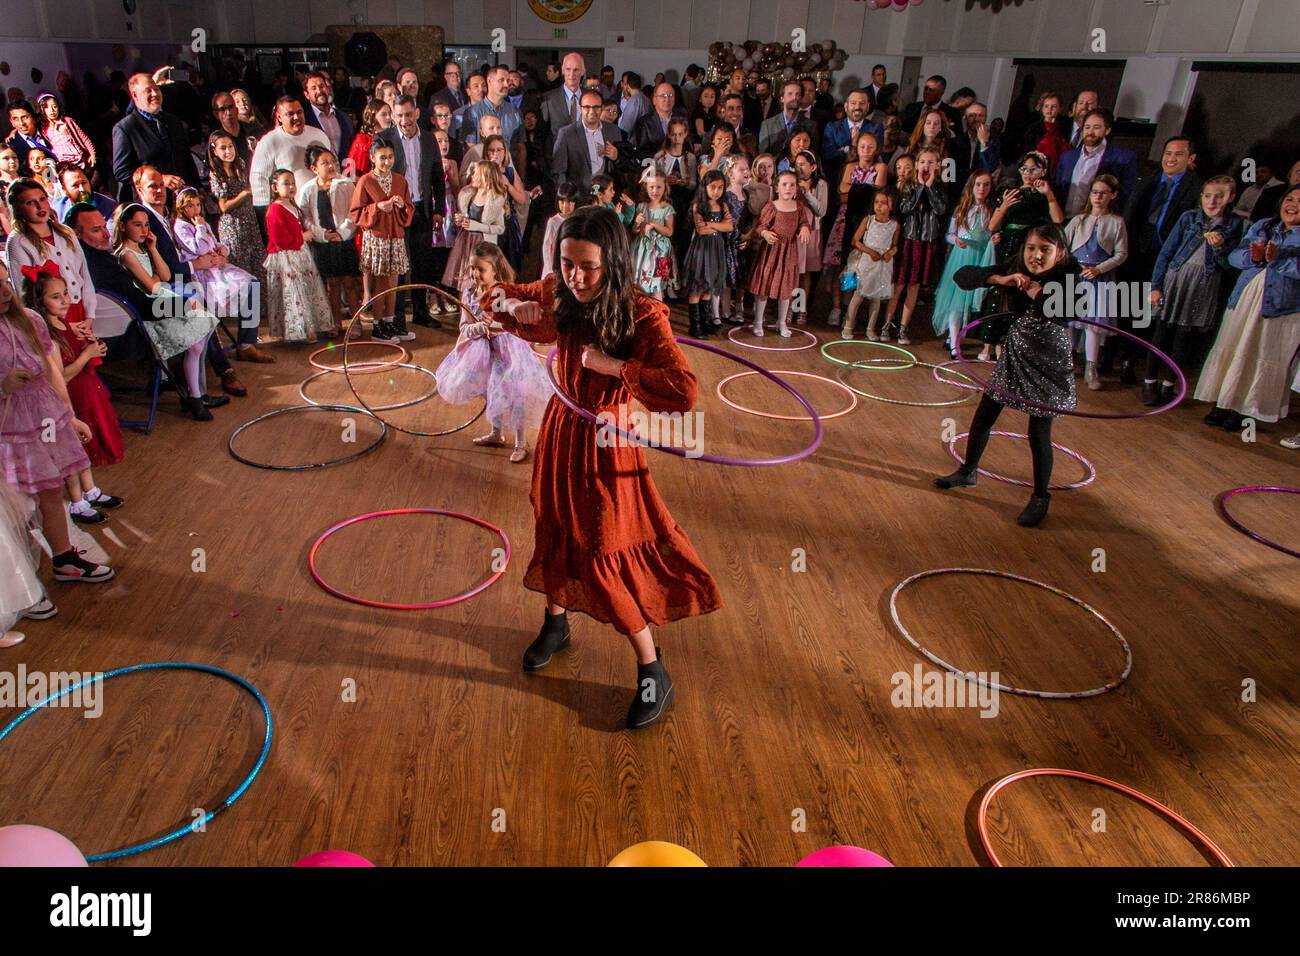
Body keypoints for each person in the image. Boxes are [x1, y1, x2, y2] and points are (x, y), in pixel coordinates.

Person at [482, 205, 722, 728]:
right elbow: (507, 296)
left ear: (612, 262)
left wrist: (614, 366)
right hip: (562, 430)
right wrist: (508, 302)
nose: (576, 276)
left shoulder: (641, 313)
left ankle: (652, 669)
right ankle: (556, 621)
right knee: (554, 525)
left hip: (608, 441)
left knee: (602, 546)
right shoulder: (561, 290)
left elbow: (682, 390)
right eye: (567, 263)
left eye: (588, 266)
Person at [933, 223, 1083, 527]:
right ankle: (967, 471)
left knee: (1038, 432)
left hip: (1048, 360)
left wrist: (1032, 290)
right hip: (1016, 352)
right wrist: (998, 278)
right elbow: (962, 277)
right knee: (985, 413)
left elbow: (1064, 311)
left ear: (1061, 252)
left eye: (1045, 250)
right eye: (1031, 248)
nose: (1036, 256)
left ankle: (1040, 497)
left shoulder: (1070, 277)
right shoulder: (1016, 267)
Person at [0, 259, 114, 584]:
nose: (6, 290)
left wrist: (69, 417)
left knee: (51, 489)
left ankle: (64, 559)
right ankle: (18, 581)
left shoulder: (30, 319)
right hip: (9, 425)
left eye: (6, 280)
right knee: (15, 502)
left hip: (44, 415)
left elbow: (52, 372)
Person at [1196, 185, 1300, 431]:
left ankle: (1247, 410)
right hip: (1245, 298)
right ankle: (1224, 402)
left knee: (1262, 354)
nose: (1293, 204)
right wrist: (1254, 258)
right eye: (1290, 198)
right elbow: (1234, 256)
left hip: (1281, 309)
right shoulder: (1263, 225)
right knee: (1234, 346)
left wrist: (1279, 260)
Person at [436, 242, 551, 463]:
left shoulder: (501, 292)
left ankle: (520, 441)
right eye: (472, 268)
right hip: (483, 351)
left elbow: (511, 314)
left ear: (495, 270)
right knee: (491, 391)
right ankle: (496, 433)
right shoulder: (469, 294)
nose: (475, 274)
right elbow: (464, 327)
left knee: (514, 393)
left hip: (508, 350)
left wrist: (498, 324)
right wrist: (479, 327)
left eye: (481, 269)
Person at [111, 203, 222, 420]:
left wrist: (153, 249)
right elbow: (152, 286)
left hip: (165, 298)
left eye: (146, 225)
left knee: (202, 334)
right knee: (197, 341)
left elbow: (165, 274)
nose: (143, 231)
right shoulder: (126, 254)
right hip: (152, 308)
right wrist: (155, 279)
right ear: (123, 226)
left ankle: (193, 395)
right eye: (137, 225)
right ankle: (194, 397)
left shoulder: (143, 248)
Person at [1145, 175, 1244, 406]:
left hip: (1203, 286)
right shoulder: (1188, 218)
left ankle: (1169, 385)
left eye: (1219, 196)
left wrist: (1220, 248)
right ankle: (1149, 382)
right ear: (1201, 197)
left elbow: (1228, 264)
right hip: (1176, 281)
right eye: (1208, 196)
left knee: (1183, 339)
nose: (1212, 201)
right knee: (1161, 333)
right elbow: (1166, 253)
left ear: (1230, 198)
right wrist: (1156, 287)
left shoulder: (1235, 225)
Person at [376, 95, 448, 330]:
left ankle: (420, 312)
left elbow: (438, 176)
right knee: (397, 265)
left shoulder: (428, 139)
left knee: (422, 264)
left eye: (408, 114)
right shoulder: (383, 138)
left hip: (422, 210)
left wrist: (438, 210)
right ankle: (395, 318)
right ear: (393, 116)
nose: (404, 120)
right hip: (395, 212)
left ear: (416, 113)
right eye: (399, 115)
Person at [207, 131, 271, 363]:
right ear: (214, 150)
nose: (228, 151)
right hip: (232, 229)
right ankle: (247, 336)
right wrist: (245, 193)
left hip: (250, 224)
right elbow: (223, 206)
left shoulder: (241, 164)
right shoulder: (215, 173)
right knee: (241, 276)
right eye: (222, 148)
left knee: (258, 272)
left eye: (230, 146)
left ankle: (253, 333)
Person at [1064, 174, 1129, 390]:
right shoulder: (1078, 220)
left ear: (1113, 195)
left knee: (1093, 325)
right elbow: (1063, 246)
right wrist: (1075, 266)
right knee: (1070, 322)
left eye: (1103, 193)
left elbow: (1121, 253)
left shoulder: (1116, 222)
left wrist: (1099, 269)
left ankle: (1091, 367)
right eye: (1094, 192)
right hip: (1075, 275)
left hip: (1099, 278)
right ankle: (1066, 362)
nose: (1098, 197)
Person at [350, 141, 415, 344]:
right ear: (372, 158)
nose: (387, 162)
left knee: (394, 282)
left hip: (395, 237)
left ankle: (390, 321)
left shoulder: (400, 180)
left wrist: (402, 205)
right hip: (377, 238)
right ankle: (378, 325)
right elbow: (356, 213)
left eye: (390, 157)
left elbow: (408, 211)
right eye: (382, 157)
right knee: (381, 283)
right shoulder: (365, 181)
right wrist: (377, 207)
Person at [931, 171, 996, 355]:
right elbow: (949, 234)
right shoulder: (962, 209)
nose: (982, 189)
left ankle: (955, 336)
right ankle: (953, 344)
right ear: (971, 186)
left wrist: (994, 239)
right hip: (961, 257)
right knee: (956, 300)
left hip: (980, 256)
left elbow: (990, 233)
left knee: (971, 301)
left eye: (986, 185)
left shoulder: (991, 211)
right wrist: (955, 240)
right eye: (978, 184)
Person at [110, 74, 197, 203]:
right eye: (148, 90)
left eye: (156, 89)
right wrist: (159, 179)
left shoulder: (172, 121)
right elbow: (122, 171)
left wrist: (198, 188)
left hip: (182, 201)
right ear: (135, 96)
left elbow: (186, 158)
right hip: (151, 204)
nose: (155, 94)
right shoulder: (126, 128)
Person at [746, 169, 812, 338]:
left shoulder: (799, 207)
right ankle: (758, 322)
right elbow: (760, 226)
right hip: (772, 252)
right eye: (784, 184)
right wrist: (765, 234)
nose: (788, 188)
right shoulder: (771, 206)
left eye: (792, 185)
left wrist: (804, 228)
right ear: (777, 188)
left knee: (786, 288)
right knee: (764, 287)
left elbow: (804, 222)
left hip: (789, 252)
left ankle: (781, 322)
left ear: (796, 188)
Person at [1055, 108, 1137, 217]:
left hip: (1096, 223)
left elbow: (1126, 197)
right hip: (1064, 220)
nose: (1090, 132)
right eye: (1087, 127)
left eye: (1096, 127)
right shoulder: (1067, 157)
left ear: (1107, 130)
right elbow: (1058, 189)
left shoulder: (1123, 158)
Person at [680, 169, 733, 338]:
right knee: (698, 285)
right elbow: (701, 230)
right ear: (705, 187)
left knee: (709, 286)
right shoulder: (698, 206)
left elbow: (730, 226)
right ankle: (694, 326)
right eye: (713, 187)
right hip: (702, 249)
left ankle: (706, 321)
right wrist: (716, 225)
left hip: (716, 247)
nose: (716, 191)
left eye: (720, 187)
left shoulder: (723, 205)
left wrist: (711, 224)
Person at [842, 190, 899, 340]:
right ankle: (848, 326)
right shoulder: (868, 220)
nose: (879, 206)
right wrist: (870, 252)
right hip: (868, 261)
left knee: (877, 298)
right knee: (859, 295)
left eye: (883, 203)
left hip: (883, 264)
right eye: (876, 202)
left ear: (891, 206)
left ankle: (871, 329)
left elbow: (895, 245)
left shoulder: (894, 225)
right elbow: (855, 241)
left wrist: (890, 253)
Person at [550, 89, 623, 196]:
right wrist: (566, 197)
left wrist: (616, 156)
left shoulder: (613, 131)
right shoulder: (566, 133)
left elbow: (622, 166)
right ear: (580, 108)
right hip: (578, 196)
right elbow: (558, 170)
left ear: (602, 108)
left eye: (596, 107)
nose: (591, 111)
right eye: (587, 107)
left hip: (606, 198)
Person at [301, 71, 355, 167]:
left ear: (328, 89)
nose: (319, 91)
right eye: (314, 88)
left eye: (322, 86)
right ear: (306, 94)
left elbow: (352, 149)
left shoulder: (344, 118)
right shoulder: (304, 121)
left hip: (345, 177)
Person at [35, 93, 95, 173]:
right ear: (42, 110)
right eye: (47, 107)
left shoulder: (67, 121)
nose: (52, 110)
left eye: (54, 107)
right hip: (64, 164)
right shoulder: (43, 129)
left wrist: (92, 153)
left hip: (81, 160)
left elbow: (83, 138)